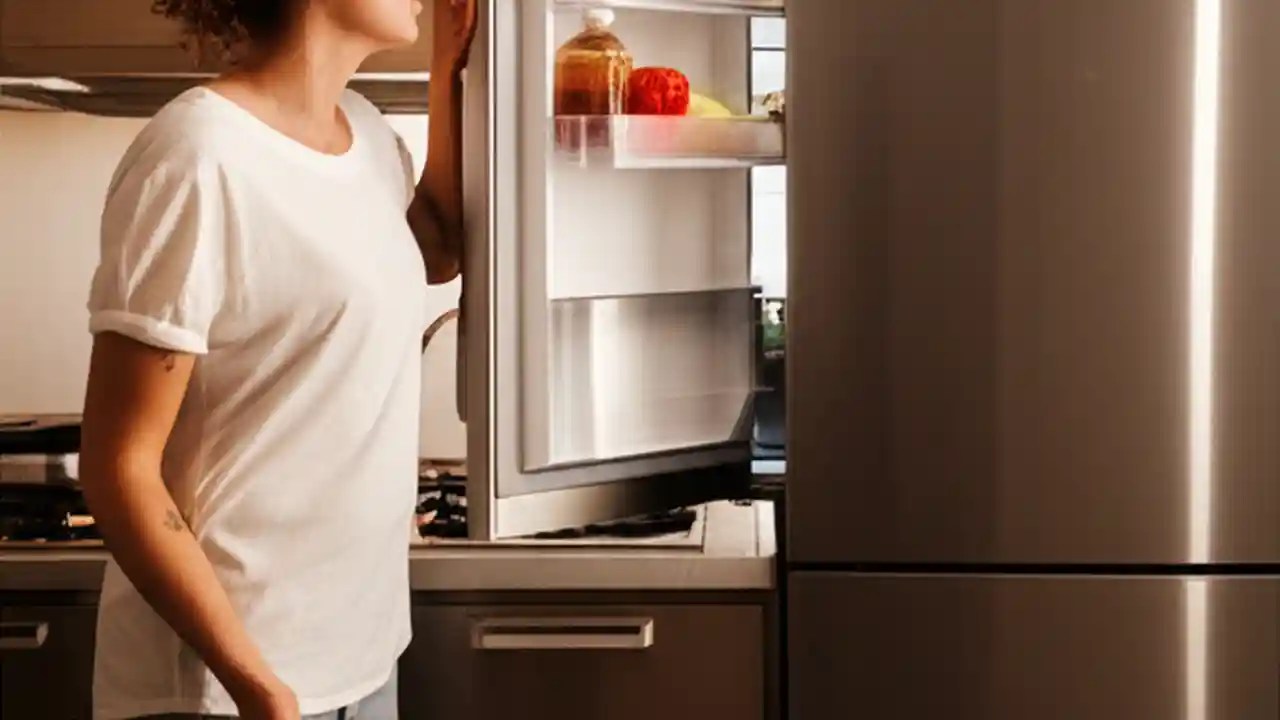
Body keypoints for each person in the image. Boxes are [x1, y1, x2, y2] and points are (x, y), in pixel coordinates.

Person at [77, 0, 477, 717]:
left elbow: (438, 250)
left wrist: (446, 69)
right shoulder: (198, 155)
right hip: (227, 687)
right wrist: (257, 685)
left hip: (360, 660)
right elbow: (119, 469)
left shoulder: (368, 134)